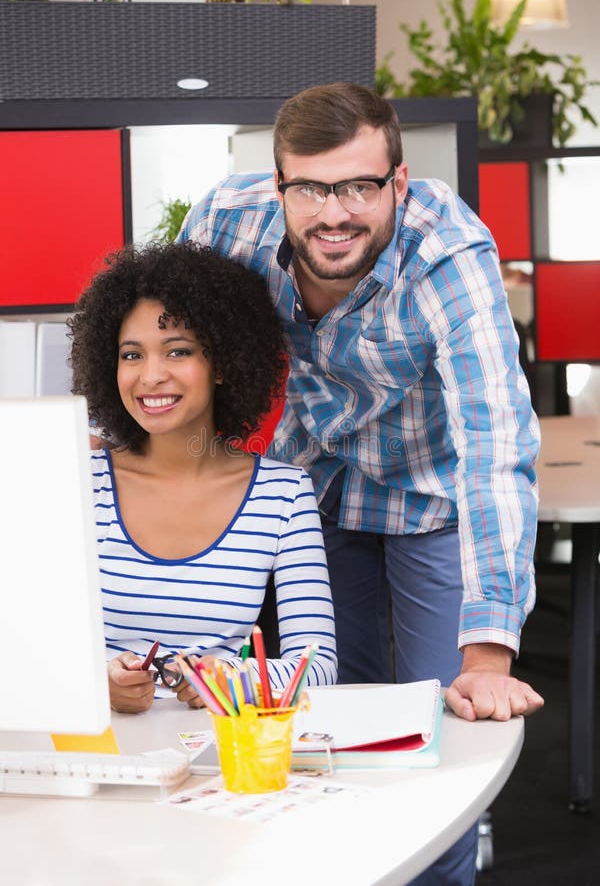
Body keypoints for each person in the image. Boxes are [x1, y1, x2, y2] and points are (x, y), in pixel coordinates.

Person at [177, 82, 544, 885]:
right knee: (329, 727)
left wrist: (487, 656)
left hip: (432, 494)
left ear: (398, 184)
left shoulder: (447, 251)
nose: (333, 213)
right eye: (309, 188)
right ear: (278, 187)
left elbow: (494, 437)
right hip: (316, 489)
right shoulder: (225, 222)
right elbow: (167, 354)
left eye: (359, 187)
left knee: (437, 736)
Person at [68, 241, 337, 715]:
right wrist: (92, 678)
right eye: (131, 355)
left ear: (221, 364)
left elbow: (317, 665)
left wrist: (233, 677)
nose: (150, 375)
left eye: (178, 351)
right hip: (97, 749)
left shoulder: (284, 496)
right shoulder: (81, 482)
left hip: (221, 753)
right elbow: (26, 640)